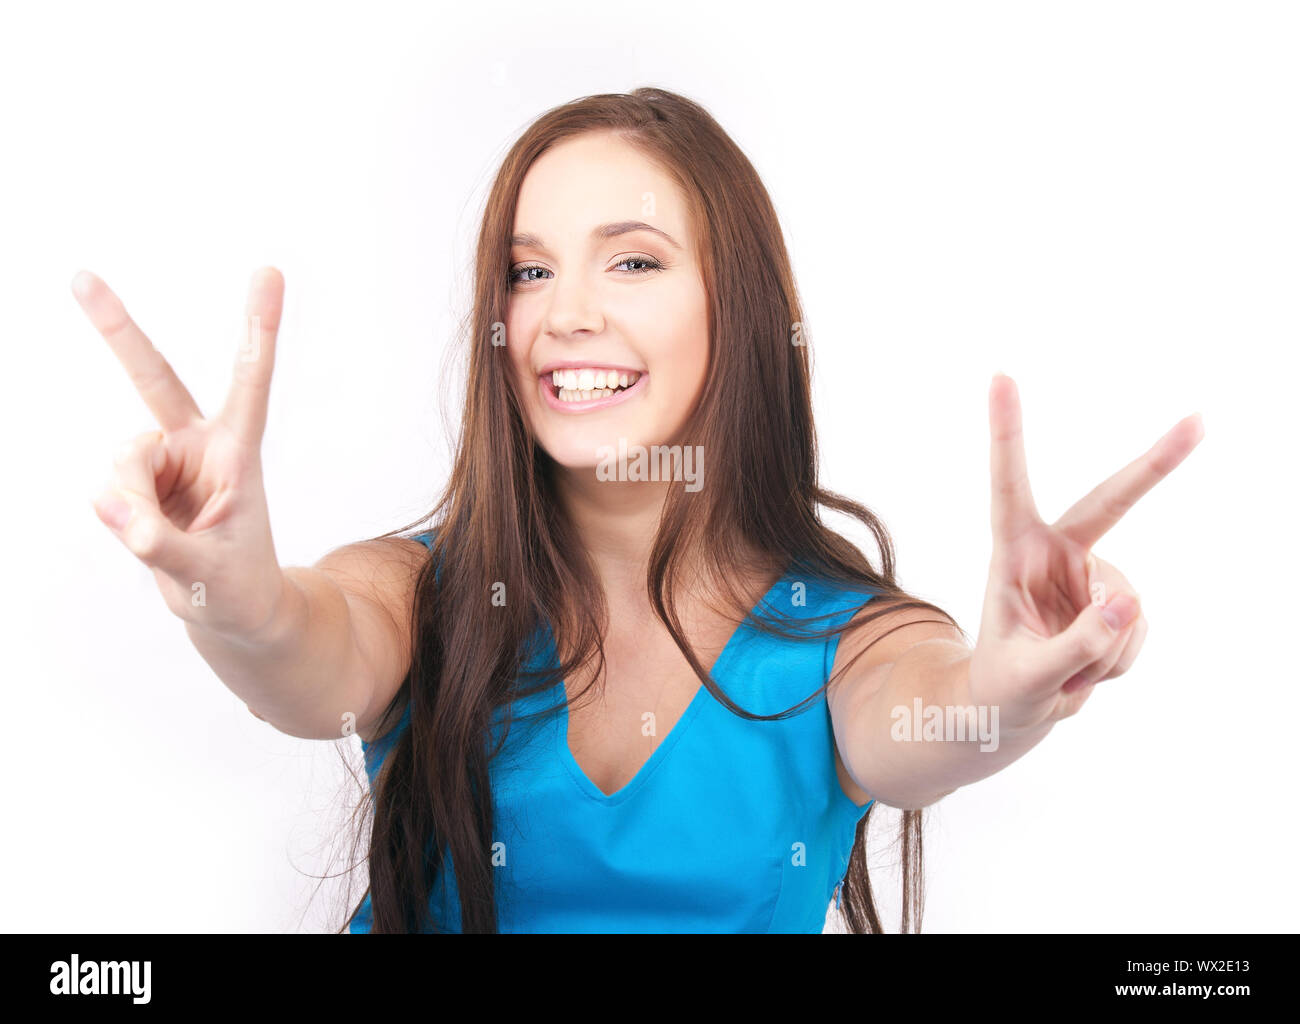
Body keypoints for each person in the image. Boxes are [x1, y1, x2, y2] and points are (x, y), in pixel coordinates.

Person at [74, 87, 1203, 934]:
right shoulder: (421, 594)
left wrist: (1006, 692)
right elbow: (296, 656)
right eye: (527, 272)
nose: (564, 314)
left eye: (633, 262)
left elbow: (928, 723)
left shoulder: (842, 635)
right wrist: (221, 585)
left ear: (740, 308)